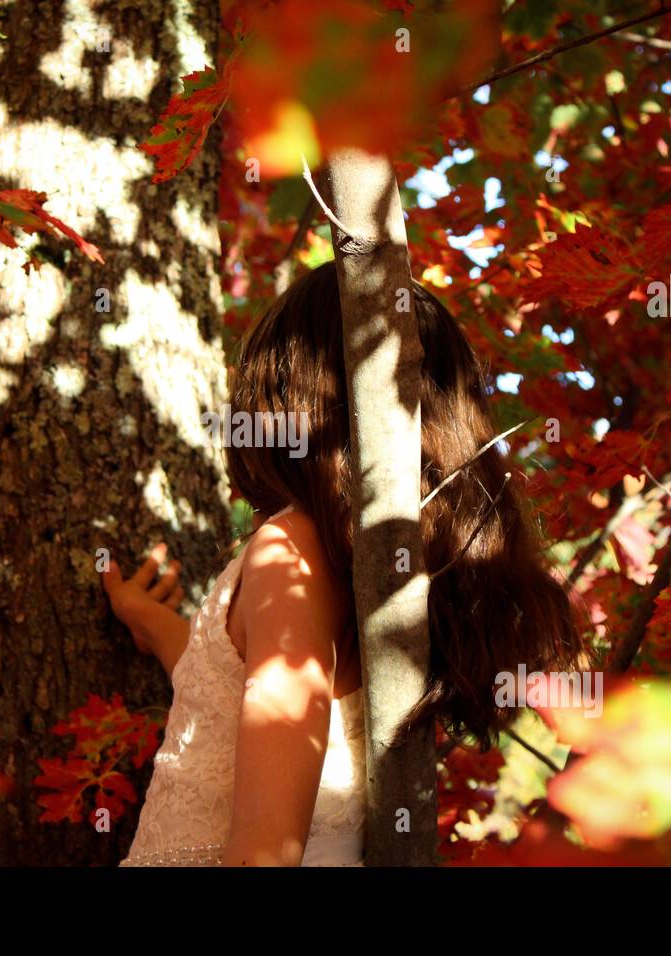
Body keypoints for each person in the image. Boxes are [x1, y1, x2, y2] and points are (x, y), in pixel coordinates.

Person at [103, 262, 582, 866]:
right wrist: (150, 622)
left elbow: (264, 849)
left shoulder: (291, 551)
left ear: (286, 393)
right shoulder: (393, 567)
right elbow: (245, 699)